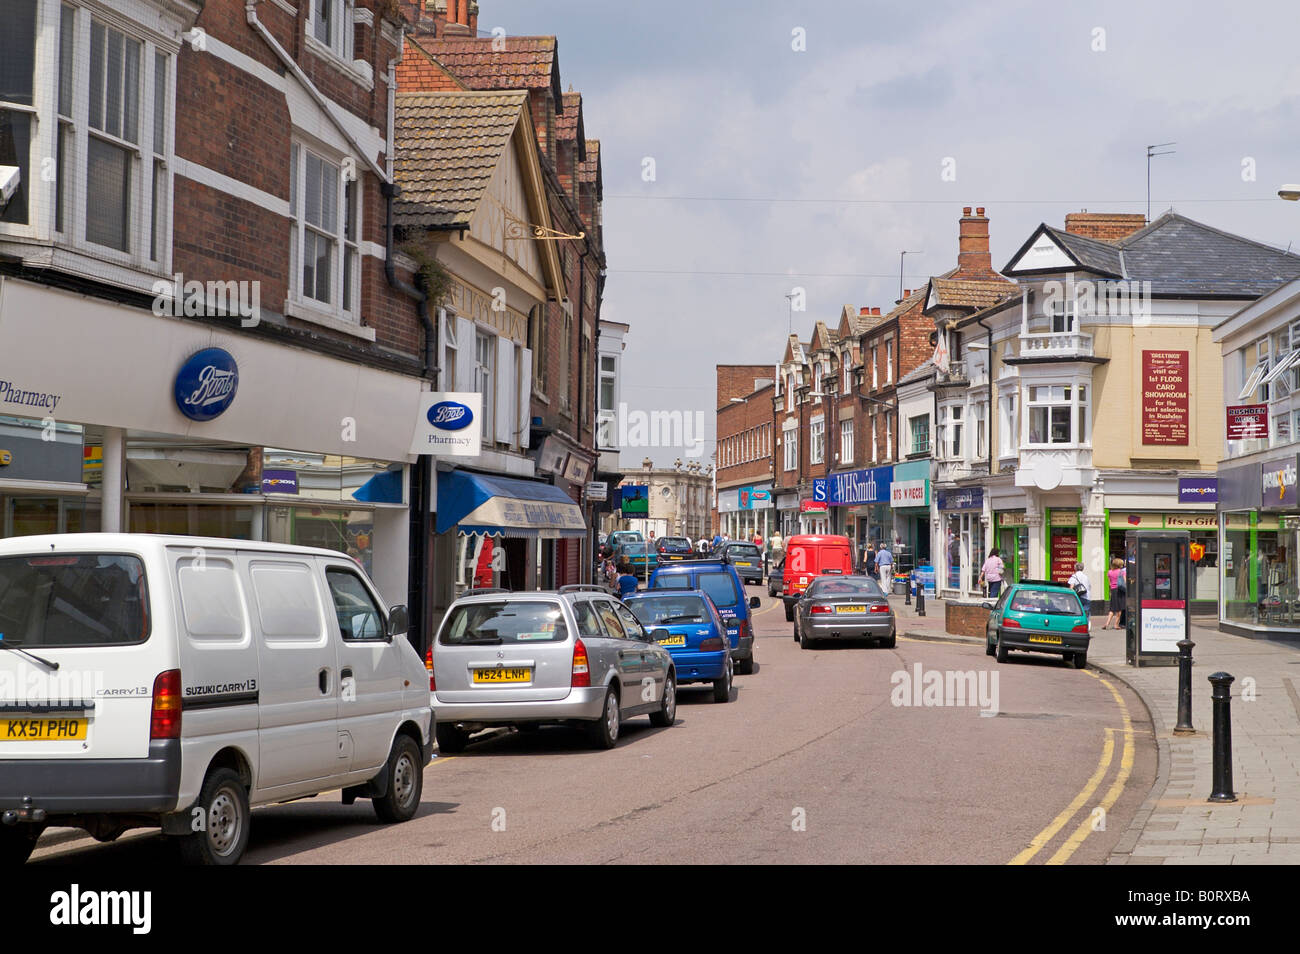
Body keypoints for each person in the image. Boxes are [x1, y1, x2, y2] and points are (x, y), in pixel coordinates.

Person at [1104, 557, 1126, 629]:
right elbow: (1125, 582)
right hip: (1119, 591)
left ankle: (1107, 623)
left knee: (1112, 608)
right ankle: (1116, 624)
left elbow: (1110, 582)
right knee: (1119, 609)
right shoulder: (1121, 572)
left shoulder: (1109, 572)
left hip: (1113, 590)